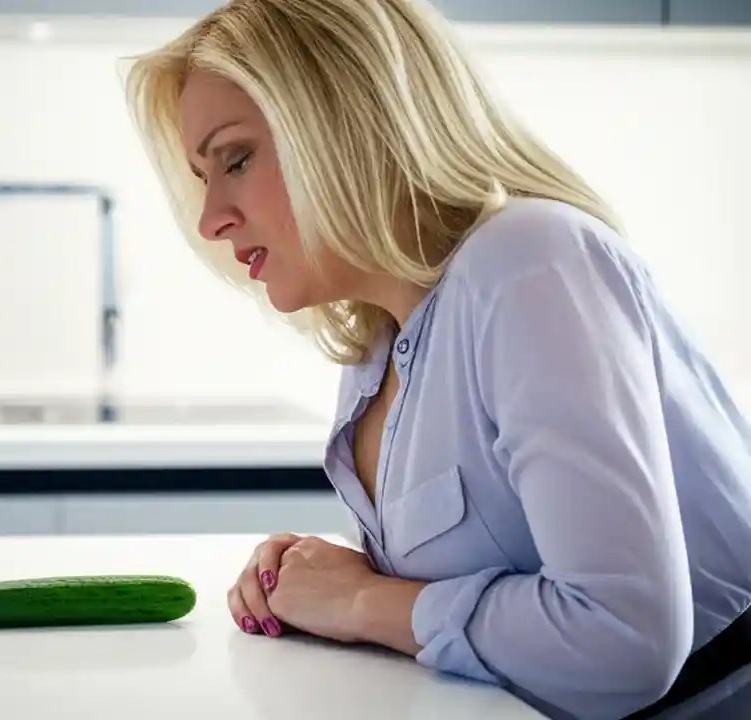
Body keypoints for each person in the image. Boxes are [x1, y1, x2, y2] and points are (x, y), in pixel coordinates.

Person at [124, 1, 751, 718]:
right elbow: (479, 578)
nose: (211, 219)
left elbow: (623, 638)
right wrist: (326, 579)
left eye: (236, 159)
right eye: (205, 178)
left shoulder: (529, 261)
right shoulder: (378, 340)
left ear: (347, 125)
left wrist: (363, 600)